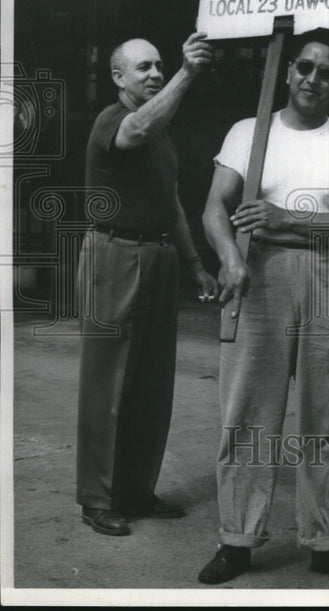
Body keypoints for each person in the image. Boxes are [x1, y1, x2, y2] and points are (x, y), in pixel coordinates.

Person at [198, 28, 329, 586]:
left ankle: (326, 542)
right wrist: (229, 257)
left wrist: (288, 220)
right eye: (304, 67)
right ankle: (237, 539)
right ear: (288, 71)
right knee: (248, 413)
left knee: (321, 419)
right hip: (259, 277)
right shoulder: (249, 134)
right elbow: (213, 208)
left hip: (327, 280)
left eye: (326, 72)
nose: (312, 79)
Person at [76, 32, 218, 536]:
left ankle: (136, 489)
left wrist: (194, 263)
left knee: (152, 383)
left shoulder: (164, 132)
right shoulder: (113, 120)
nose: (156, 73)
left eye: (160, 65)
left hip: (157, 255)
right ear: (118, 77)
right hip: (114, 252)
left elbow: (172, 200)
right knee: (107, 382)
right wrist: (188, 71)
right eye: (144, 68)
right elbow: (136, 127)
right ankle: (98, 498)